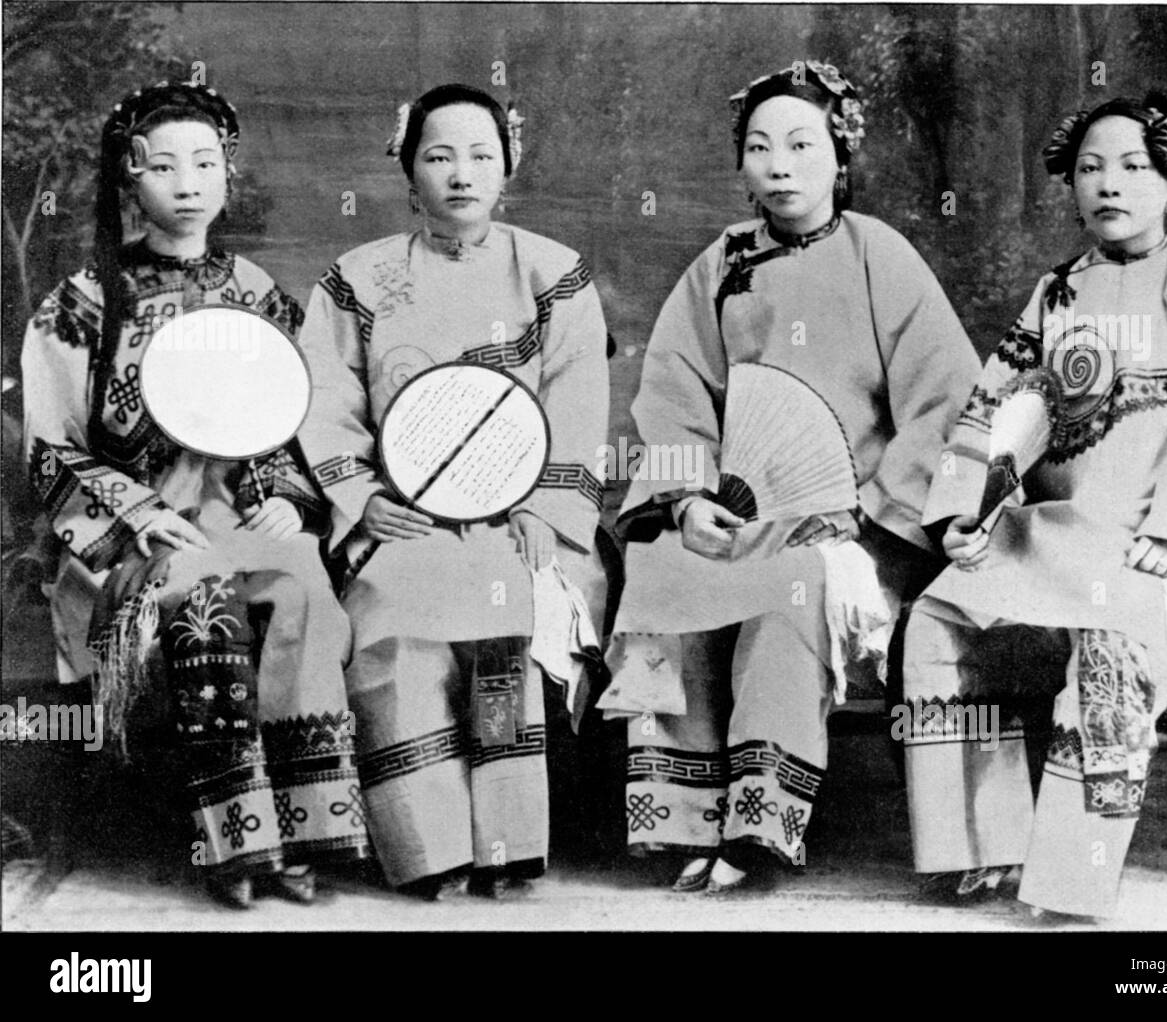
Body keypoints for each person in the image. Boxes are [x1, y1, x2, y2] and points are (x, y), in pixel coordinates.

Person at [605, 61, 981, 895]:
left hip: (860, 528)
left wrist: (866, 511)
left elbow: (947, 402)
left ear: (839, 157)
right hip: (743, 513)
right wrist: (687, 498)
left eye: (802, 145)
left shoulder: (880, 255)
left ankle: (759, 825)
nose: (780, 164)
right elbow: (672, 394)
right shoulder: (720, 265)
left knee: (794, 587)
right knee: (667, 566)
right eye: (761, 146)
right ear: (740, 163)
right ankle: (683, 817)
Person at [902, 93, 1167, 919]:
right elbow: (994, 412)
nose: (1110, 184)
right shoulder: (1057, 295)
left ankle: (1072, 881)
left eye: (1135, 167)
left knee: (1109, 639)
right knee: (939, 617)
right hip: (1056, 534)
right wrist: (971, 513)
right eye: (1091, 168)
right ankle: (978, 847)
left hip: (1161, 544)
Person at [21, 81, 369, 909]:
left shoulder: (257, 291)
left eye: (206, 163)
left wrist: (289, 493)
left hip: (238, 509)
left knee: (302, 583)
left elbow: (298, 417)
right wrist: (138, 517)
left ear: (227, 175)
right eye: (166, 166)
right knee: (202, 593)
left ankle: (301, 829)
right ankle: (236, 844)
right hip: (132, 541)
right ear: (128, 180)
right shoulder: (82, 304)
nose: (188, 183)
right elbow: (48, 449)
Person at [295, 84, 610, 900]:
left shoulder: (554, 273)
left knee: (504, 603)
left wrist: (547, 509)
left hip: (523, 516)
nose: (461, 174)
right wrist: (362, 500)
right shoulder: (356, 279)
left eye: (480, 154)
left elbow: (578, 404)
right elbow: (326, 402)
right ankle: (427, 845)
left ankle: (506, 841)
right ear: (408, 172)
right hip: (404, 516)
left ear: (510, 164)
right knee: (396, 607)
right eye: (439, 156)